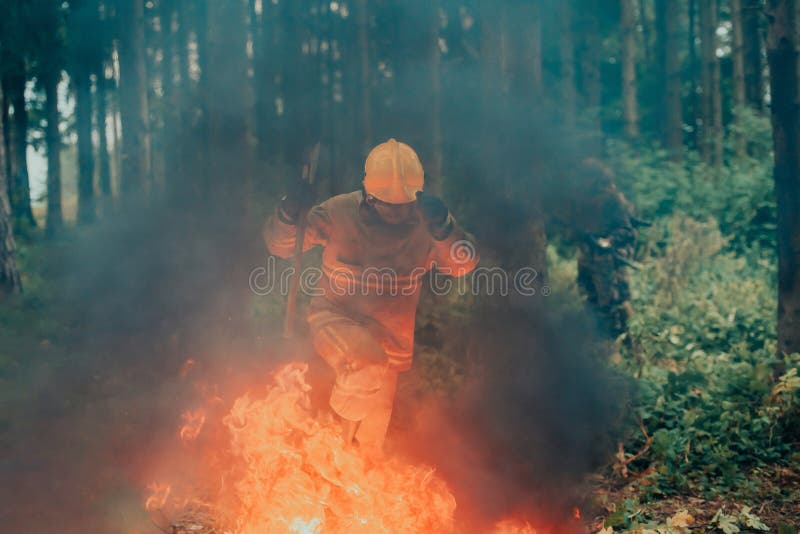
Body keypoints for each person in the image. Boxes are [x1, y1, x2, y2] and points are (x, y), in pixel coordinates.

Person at [264, 139, 479, 454]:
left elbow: (462, 264)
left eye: (403, 204)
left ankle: (349, 485)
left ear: (416, 197)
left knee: (369, 447)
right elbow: (281, 246)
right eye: (387, 204)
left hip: (390, 347)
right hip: (334, 320)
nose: (396, 211)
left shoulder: (428, 224)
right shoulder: (339, 212)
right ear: (367, 195)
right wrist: (288, 212)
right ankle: (326, 451)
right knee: (366, 365)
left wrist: (445, 228)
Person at [568, 159, 643, 347]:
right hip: (588, 260)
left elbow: (626, 231)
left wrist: (608, 241)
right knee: (591, 302)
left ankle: (632, 346)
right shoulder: (580, 202)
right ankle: (604, 345)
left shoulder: (613, 201)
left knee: (616, 304)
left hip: (609, 260)